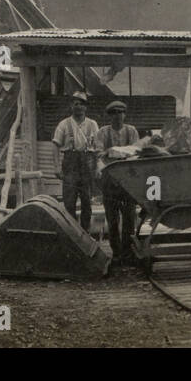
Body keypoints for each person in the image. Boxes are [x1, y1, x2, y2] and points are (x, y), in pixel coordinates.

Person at [96, 100, 140, 264]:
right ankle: (116, 252)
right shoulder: (103, 132)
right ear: (110, 116)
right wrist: (117, 153)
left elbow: (136, 152)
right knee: (112, 219)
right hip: (110, 181)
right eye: (114, 113)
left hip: (128, 182)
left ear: (124, 114)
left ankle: (128, 252)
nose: (118, 116)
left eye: (120, 112)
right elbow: (100, 154)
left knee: (129, 217)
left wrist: (115, 153)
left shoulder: (132, 131)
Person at [52, 92, 99, 231]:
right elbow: (55, 145)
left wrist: (97, 168)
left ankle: (85, 235)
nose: (79, 106)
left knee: (87, 202)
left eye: (82, 104)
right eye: (76, 103)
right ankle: (72, 235)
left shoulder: (93, 124)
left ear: (86, 107)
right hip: (70, 164)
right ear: (71, 106)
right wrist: (56, 167)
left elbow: (98, 147)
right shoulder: (64, 124)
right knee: (69, 203)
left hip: (87, 165)